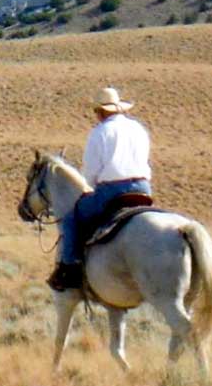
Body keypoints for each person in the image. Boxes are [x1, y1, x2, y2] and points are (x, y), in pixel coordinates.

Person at [48, 87, 153, 291]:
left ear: (102, 112)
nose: (96, 115)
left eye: (97, 111)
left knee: (72, 217)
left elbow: (91, 171)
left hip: (112, 191)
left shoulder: (99, 132)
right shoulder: (138, 129)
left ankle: (69, 268)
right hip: (143, 188)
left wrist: (90, 187)